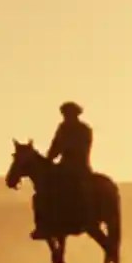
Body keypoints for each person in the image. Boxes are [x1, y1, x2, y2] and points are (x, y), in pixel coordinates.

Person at [39, 102, 93, 238]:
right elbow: (55, 145)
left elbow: (84, 148)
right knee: (45, 188)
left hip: (79, 166)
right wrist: (48, 160)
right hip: (65, 165)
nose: (65, 117)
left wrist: (67, 151)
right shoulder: (62, 128)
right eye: (64, 114)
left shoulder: (84, 129)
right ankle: (44, 224)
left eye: (68, 114)